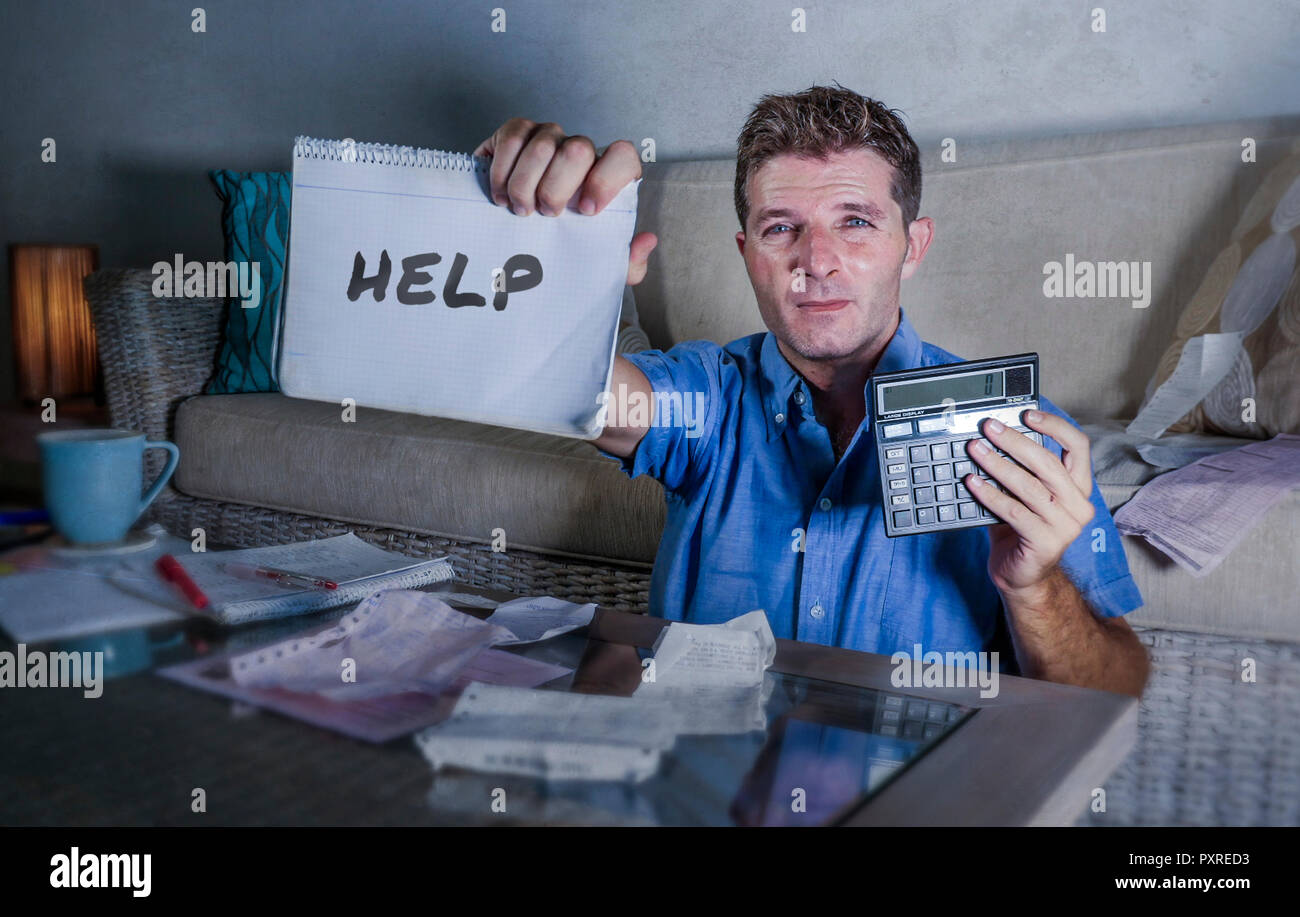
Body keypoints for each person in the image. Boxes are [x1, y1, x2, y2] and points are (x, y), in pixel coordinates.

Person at [473, 85, 1150, 697]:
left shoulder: (1023, 439)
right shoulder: (711, 399)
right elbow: (590, 391)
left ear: (912, 247)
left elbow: (1115, 689)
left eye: (855, 221)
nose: (816, 260)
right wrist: (528, 257)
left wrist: (1033, 590)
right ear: (747, 253)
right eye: (780, 227)